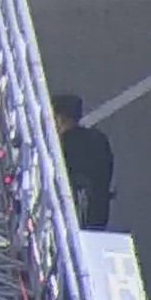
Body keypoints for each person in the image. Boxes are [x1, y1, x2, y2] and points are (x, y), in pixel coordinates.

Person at [52, 94, 114, 230]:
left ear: (61, 119)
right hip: (100, 211)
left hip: (74, 219)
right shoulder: (98, 138)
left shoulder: (60, 150)